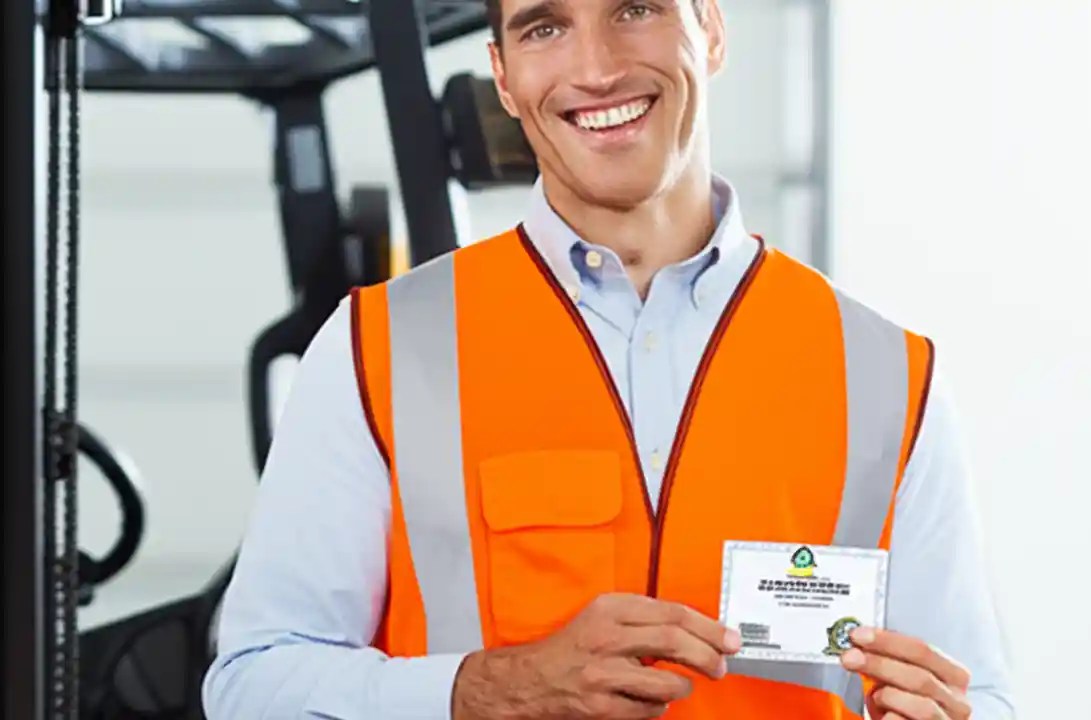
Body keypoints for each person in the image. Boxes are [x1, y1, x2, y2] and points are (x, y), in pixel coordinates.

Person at [202, 0, 1015, 718]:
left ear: (713, 30)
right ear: (505, 76)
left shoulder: (888, 375)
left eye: (636, 9)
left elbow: (977, 694)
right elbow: (250, 685)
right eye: (545, 26)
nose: (596, 67)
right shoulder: (373, 348)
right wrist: (487, 691)